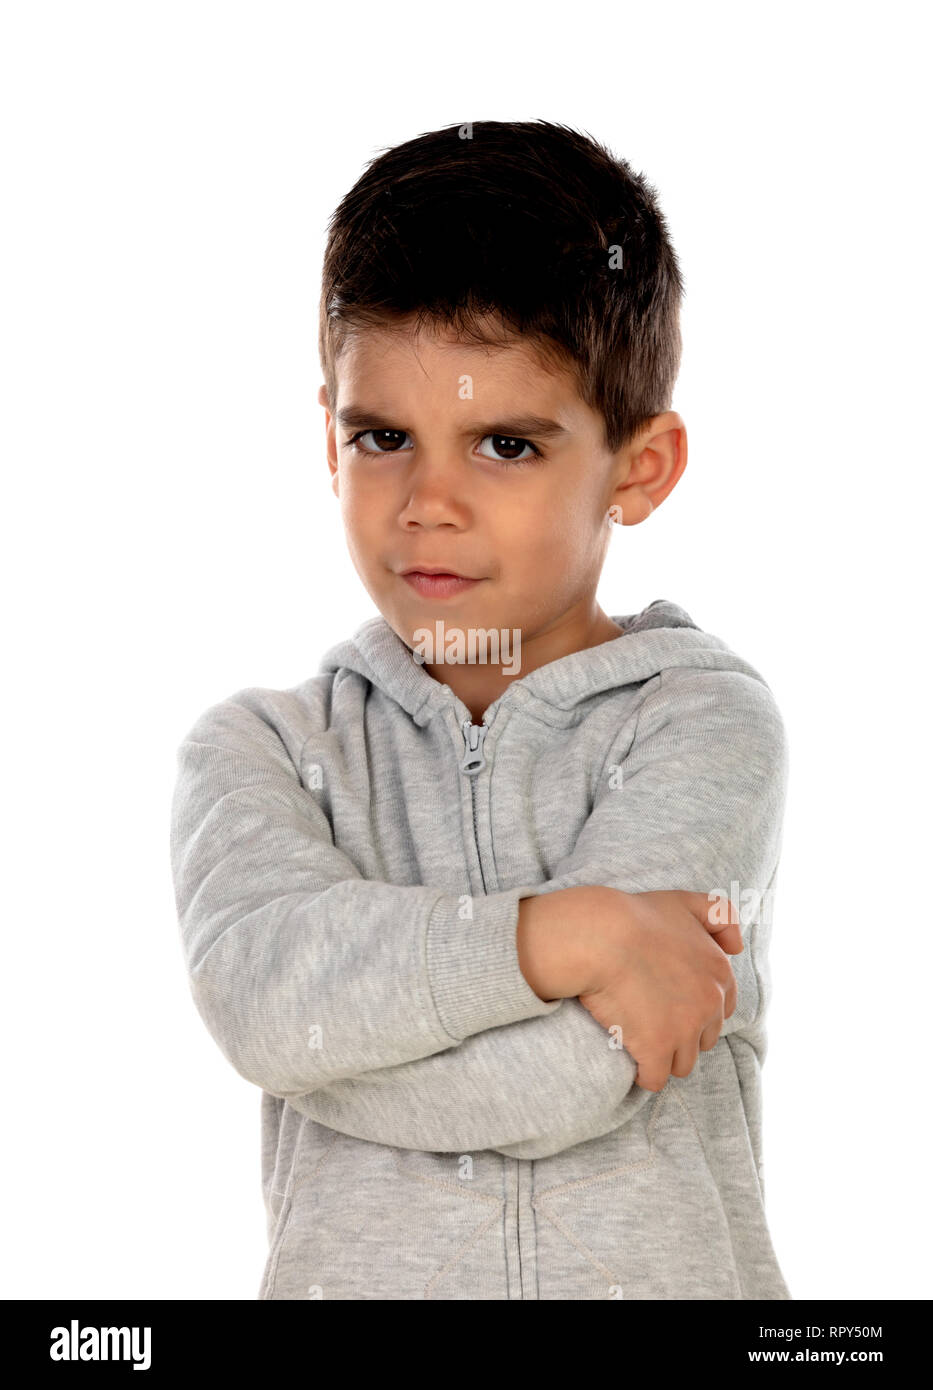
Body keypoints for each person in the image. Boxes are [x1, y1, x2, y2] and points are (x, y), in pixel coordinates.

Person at [169, 119, 791, 1300]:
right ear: (329, 438)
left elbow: (567, 1079)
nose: (429, 502)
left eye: (506, 443)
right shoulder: (259, 752)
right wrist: (565, 936)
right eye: (384, 437)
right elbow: (261, 1000)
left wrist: (336, 1027)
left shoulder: (704, 721)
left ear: (639, 468)